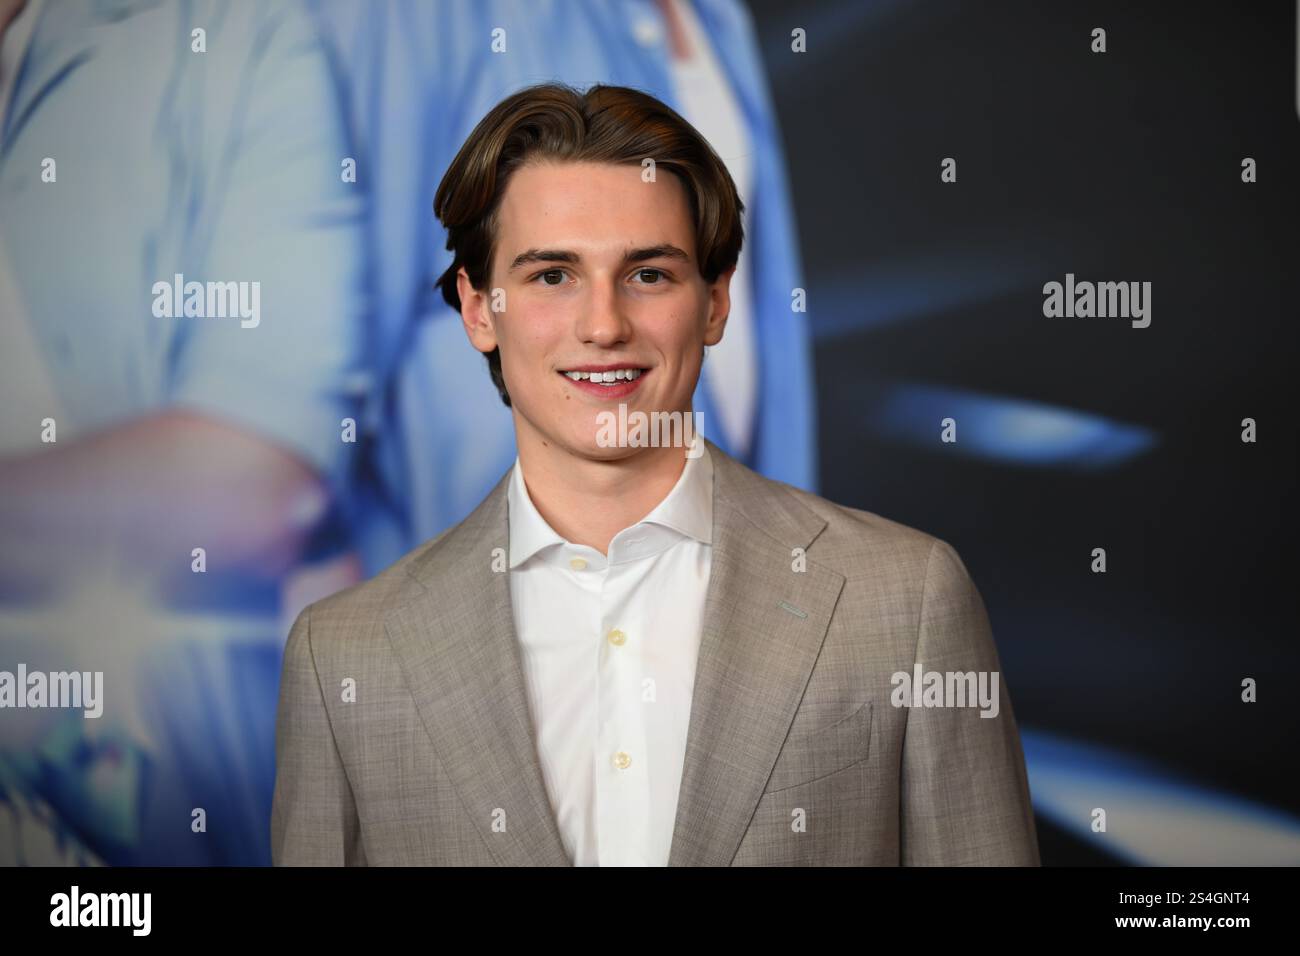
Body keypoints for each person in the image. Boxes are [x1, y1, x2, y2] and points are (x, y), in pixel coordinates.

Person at [271, 82, 1039, 866]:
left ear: (714, 302)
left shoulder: (907, 601)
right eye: (551, 276)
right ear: (477, 308)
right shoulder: (343, 659)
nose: (603, 325)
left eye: (648, 275)